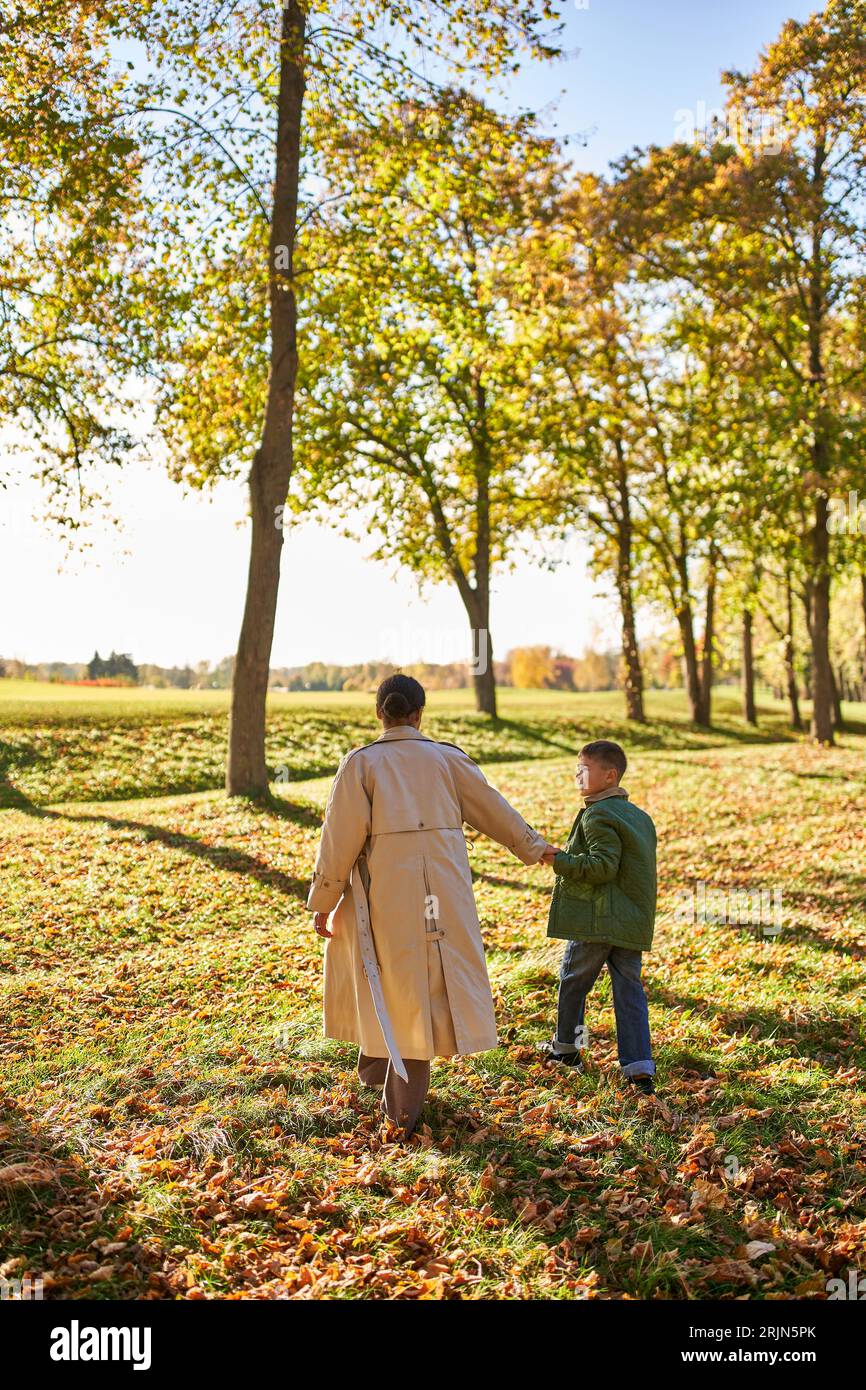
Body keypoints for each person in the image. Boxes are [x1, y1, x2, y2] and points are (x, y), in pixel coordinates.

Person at [306, 673, 555, 1136]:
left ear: (379, 712)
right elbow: (492, 808)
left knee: (389, 976)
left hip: (386, 891)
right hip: (443, 892)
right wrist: (533, 846)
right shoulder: (447, 759)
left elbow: (338, 840)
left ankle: (400, 1111)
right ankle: (378, 1080)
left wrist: (324, 899)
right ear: (419, 713)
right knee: (418, 984)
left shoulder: (361, 765)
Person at [539, 739, 658, 1094]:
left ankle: (568, 1048)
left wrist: (557, 859)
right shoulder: (638, 816)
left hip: (597, 921)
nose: (578, 773)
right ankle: (638, 1067)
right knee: (628, 990)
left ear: (609, 776)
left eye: (585, 768)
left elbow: (603, 867)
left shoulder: (598, 814)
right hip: (630, 920)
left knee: (574, 981)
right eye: (577, 767)